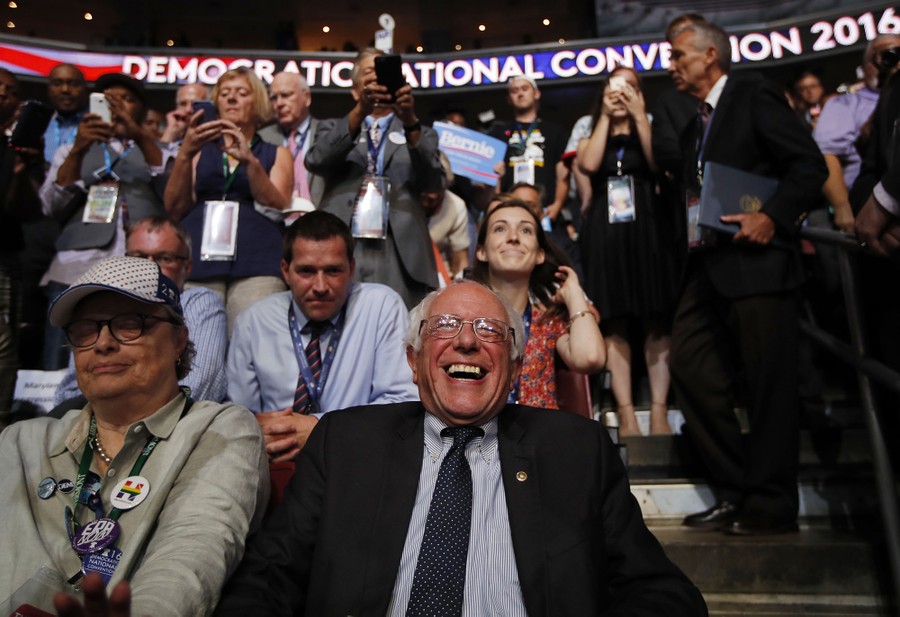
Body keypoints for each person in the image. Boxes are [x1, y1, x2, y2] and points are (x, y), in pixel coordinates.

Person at [214, 281, 707, 616]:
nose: (468, 341)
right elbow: (266, 579)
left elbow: (663, 593)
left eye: (490, 331)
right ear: (413, 359)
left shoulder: (577, 452)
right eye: (445, 326)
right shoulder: (345, 444)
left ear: (514, 369)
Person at [0, 256, 268, 616]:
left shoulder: (219, 429)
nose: (103, 343)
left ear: (178, 341)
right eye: (85, 329)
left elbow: (189, 558)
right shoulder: (20, 442)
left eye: (129, 324)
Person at [666, 19, 827, 535]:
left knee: (768, 387)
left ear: (709, 55)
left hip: (758, 263)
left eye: (678, 56)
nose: (671, 66)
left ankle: (771, 504)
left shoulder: (752, 94)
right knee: (688, 368)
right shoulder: (694, 126)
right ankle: (737, 489)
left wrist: (771, 217)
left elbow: (809, 167)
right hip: (706, 265)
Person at [227, 211, 417, 462]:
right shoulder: (254, 321)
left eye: (333, 271)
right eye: (306, 271)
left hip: (354, 457)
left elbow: (402, 403)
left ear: (352, 269)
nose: (320, 286)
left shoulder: (380, 306)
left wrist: (321, 427)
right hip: (275, 460)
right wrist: (263, 429)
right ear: (286, 271)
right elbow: (239, 413)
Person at [39, 72, 169, 370]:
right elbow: (50, 204)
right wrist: (79, 148)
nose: (118, 106)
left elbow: (172, 189)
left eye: (127, 100)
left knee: (130, 345)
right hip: (78, 261)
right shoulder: (71, 149)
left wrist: (137, 133)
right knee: (62, 350)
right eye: (108, 100)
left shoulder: (157, 149)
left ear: (140, 108)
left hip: (139, 263)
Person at [577, 66, 678, 435]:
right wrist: (606, 114)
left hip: (648, 227)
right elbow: (587, 165)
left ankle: (660, 411)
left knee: (657, 318)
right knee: (614, 320)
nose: (621, 94)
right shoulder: (593, 129)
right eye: (614, 87)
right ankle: (627, 414)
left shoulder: (649, 125)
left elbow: (657, 163)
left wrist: (638, 115)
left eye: (629, 87)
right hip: (607, 231)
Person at [306, 48, 441, 309]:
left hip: (400, 247)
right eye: (370, 73)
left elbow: (433, 181)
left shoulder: (421, 132)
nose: (377, 78)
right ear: (356, 90)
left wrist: (410, 121)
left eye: (383, 73)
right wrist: (360, 112)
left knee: (400, 330)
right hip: (342, 239)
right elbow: (316, 161)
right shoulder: (333, 128)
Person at [164, 67, 293, 333]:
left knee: (252, 349)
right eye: (224, 93)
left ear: (257, 102)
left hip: (257, 261)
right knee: (196, 349)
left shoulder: (276, 152)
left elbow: (279, 204)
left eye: (242, 93)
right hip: (200, 259)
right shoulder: (197, 150)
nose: (231, 99)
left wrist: (249, 161)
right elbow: (174, 207)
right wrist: (185, 153)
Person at [54, 216, 228, 406]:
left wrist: (122, 417)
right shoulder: (97, 307)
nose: (149, 266)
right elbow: (67, 395)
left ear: (187, 267)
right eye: (138, 257)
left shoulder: (197, 301)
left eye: (164, 258)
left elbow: (199, 389)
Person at [471, 198, 605, 409]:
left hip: (539, 436)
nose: (513, 237)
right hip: (480, 432)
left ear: (540, 254)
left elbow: (590, 358)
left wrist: (574, 294)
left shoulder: (547, 319)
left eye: (526, 231)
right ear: (481, 251)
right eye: (500, 229)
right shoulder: (465, 318)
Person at [813, 35, 900, 233]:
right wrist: (843, 208)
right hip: (867, 209)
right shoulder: (845, 104)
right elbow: (826, 154)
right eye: (888, 54)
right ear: (869, 63)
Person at [259, 72, 324, 211]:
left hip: (320, 223)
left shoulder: (327, 134)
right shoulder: (262, 138)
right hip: (275, 220)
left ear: (306, 98)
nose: (279, 103)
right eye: (273, 98)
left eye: (286, 95)